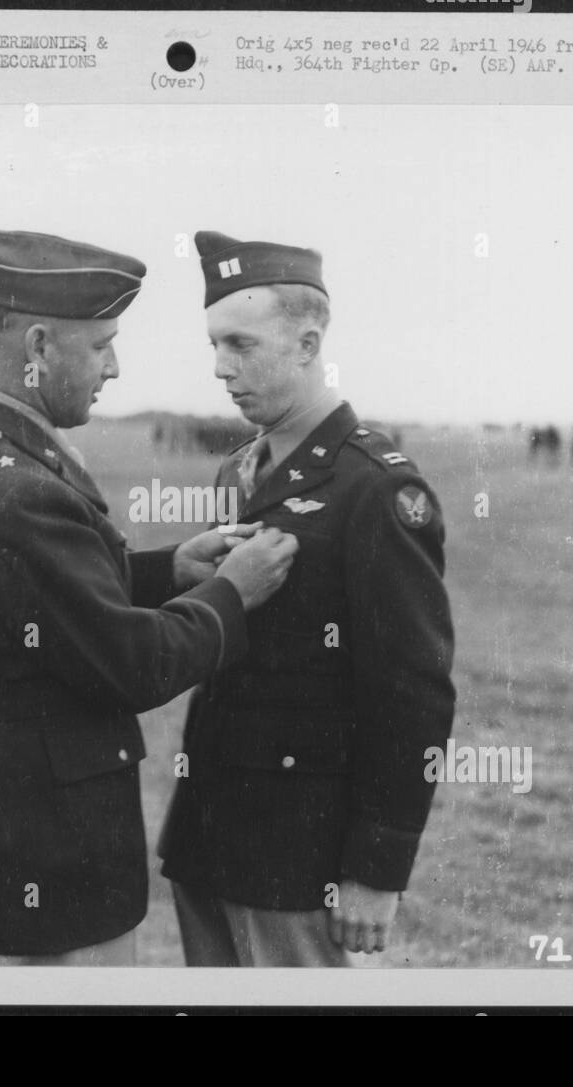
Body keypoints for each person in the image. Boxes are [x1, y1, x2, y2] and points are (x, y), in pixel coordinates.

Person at [0, 228, 298, 966]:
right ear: (40, 346)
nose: (115, 366)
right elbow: (131, 664)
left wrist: (171, 569)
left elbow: (25, 600)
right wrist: (231, 594)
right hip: (47, 851)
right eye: (102, 344)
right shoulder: (22, 492)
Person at [158, 231, 457, 966]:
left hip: (301, 858)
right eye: (214, 346)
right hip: (210, 834)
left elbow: (414, 689)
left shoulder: (375, 487)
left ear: (307, 342)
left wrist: (375, 871)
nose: (222, 369)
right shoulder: (239, 469)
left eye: (240, 344)